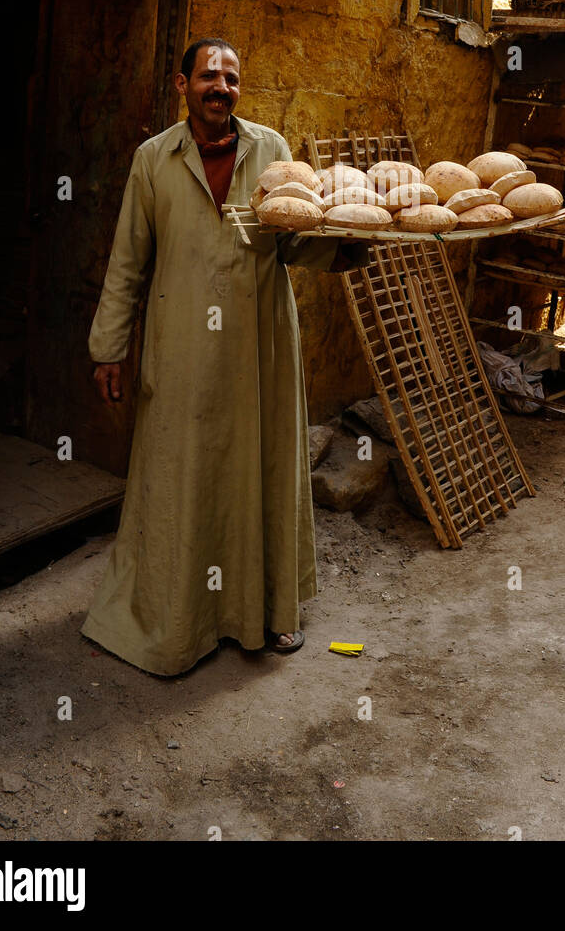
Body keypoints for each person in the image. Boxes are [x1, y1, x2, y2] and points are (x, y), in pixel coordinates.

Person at [82, 38, 366, 675]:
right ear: (182, 84)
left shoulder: (271, 152)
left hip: (258, 345)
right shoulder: (153, 160)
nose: (221, 87)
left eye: (232, 78)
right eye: (208, 75)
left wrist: (350, 245)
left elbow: (295, 243)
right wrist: (108, 348)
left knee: (259, 472)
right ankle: (174, 622)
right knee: (180, 478)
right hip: (179, 346)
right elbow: (128, 261)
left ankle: (267, 614)